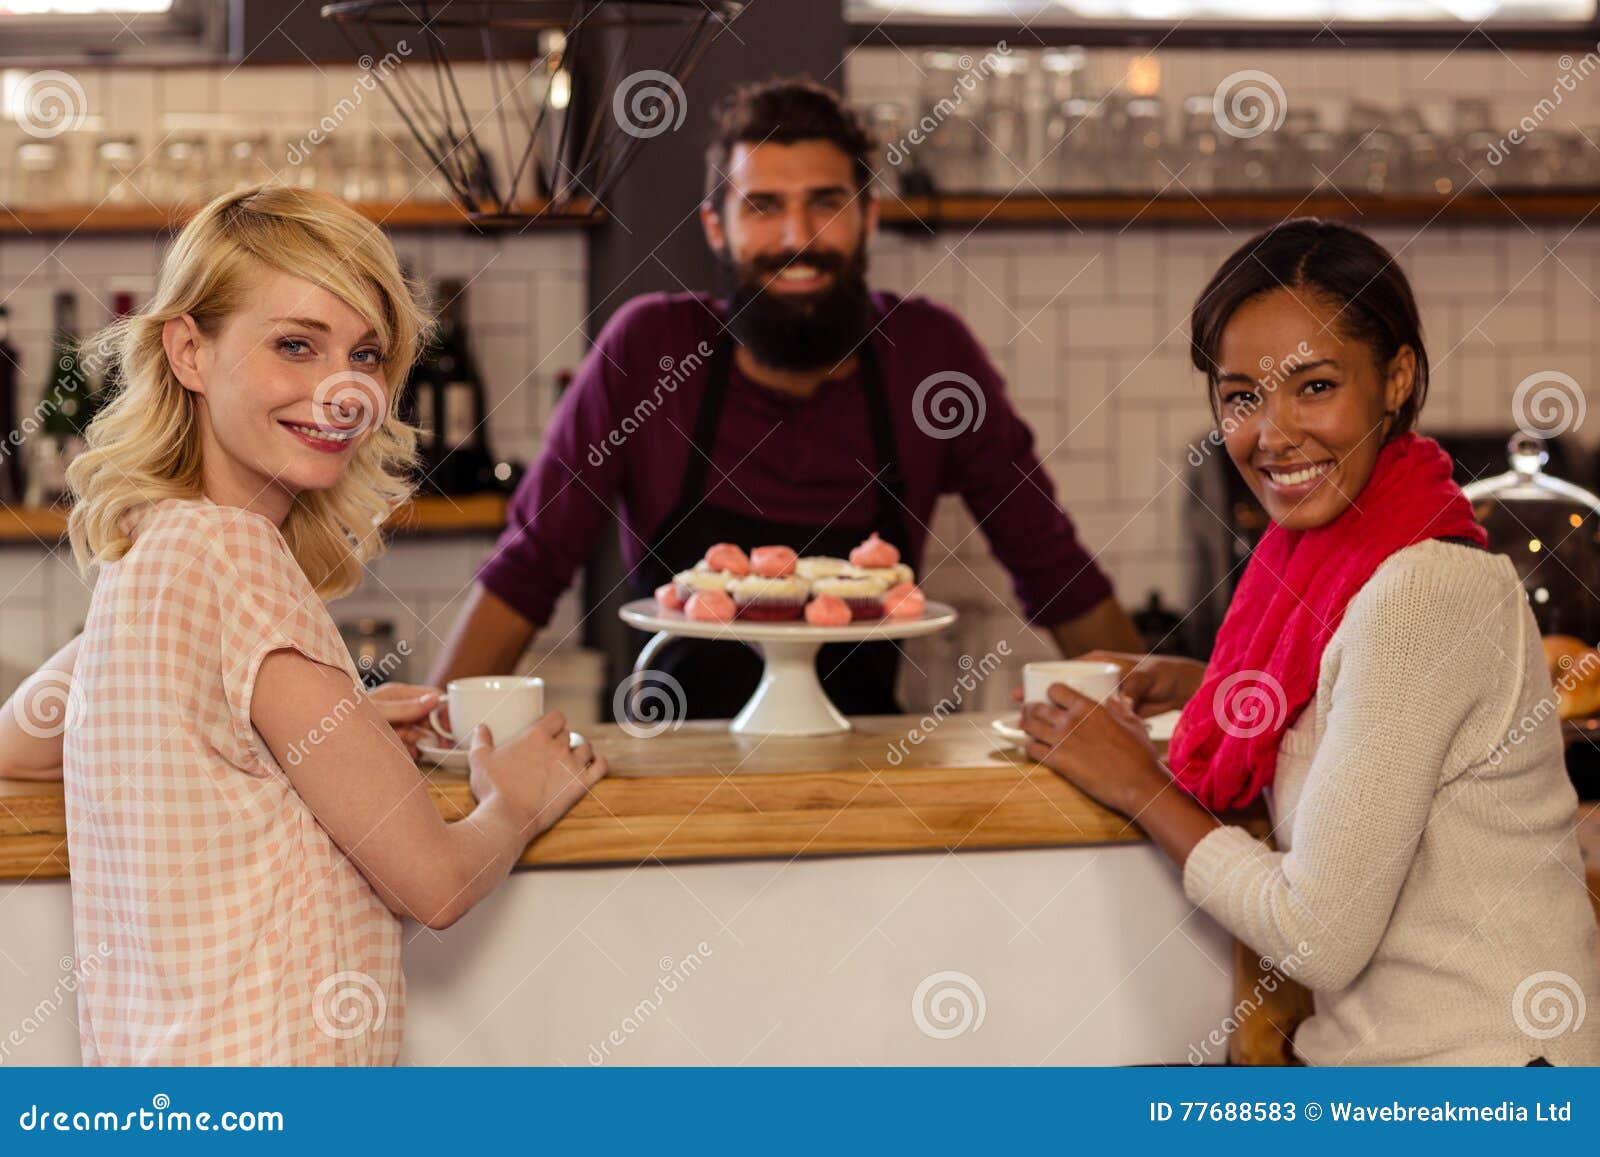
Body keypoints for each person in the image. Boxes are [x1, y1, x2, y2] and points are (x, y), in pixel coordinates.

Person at [10, 184, 606, 1065]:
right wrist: (514, 798)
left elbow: (18, 742)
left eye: (364, 354)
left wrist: (329, 736)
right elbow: (435, 884)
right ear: (189, 351)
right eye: (295, 345)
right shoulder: (242, 559)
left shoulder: (152, 550)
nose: (343, 392)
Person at [1021, 219, 1600, 1066]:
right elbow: (1367, 716)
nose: (1272, 433)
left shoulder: (1423, 589)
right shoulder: (1345, 559)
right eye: (1241, 396)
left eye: (1315, 386)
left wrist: (1139, 786)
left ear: (1395, 379)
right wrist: (1196, 681)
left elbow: (1316, 936)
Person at [431, 78, 1141, 718]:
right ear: (718, 227)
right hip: (673, 768)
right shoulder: (647, 351)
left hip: (866, 767)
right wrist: (429, 750)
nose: (798, 238)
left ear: (867, 218)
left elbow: (1055, 568)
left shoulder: (928, 357)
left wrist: (1157, 733)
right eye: (763, 206)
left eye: (826, 204)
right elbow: (528, 566)